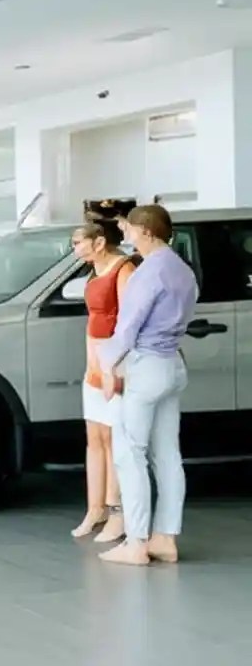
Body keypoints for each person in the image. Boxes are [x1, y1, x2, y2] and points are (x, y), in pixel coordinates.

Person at [96, 205, 197, 566]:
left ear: (148, 232)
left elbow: (127, 328)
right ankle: (165, 538)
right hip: (173, 366)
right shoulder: (184, 272)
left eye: (130, 229)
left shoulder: (147, 273)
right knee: (168, 454)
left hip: (146, 367)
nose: (125, 234)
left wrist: (107, 365)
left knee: (129, 452)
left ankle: (136, 542)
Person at [70, 220, 135, 541]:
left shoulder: (123, 269)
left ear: (98, 242)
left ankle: (116, 510)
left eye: (78, 243)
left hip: (114, 368)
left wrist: (113, 369)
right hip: (95, 370)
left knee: (113, 441)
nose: (75, 250)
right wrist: (91, 366)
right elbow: (93, 323)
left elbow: (127, 322)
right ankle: (94, 508)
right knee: (94, 438)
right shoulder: (94, 273)